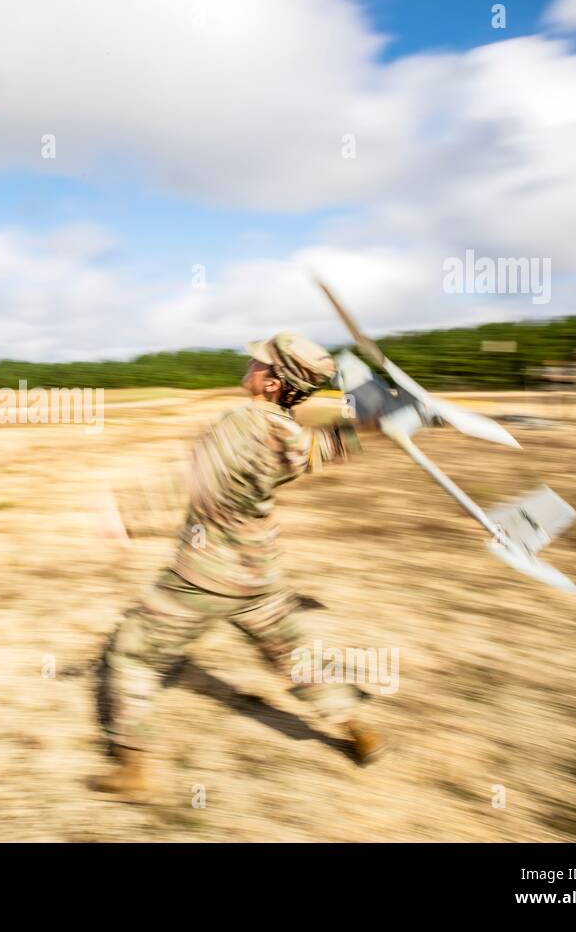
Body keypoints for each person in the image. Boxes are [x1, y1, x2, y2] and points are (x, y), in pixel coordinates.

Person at [95, 332, 386, 800]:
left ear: (273, 382)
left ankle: (133, 770)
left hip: (203, 576)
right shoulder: (290, 432)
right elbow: (322, 449)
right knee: (297, 659)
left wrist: (127, 515)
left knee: (132, 654)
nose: (249, 364)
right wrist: (370, 419)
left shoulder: (241, 422)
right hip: (259, 577)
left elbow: (197, 482)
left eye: (258, 361)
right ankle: (356, 729)